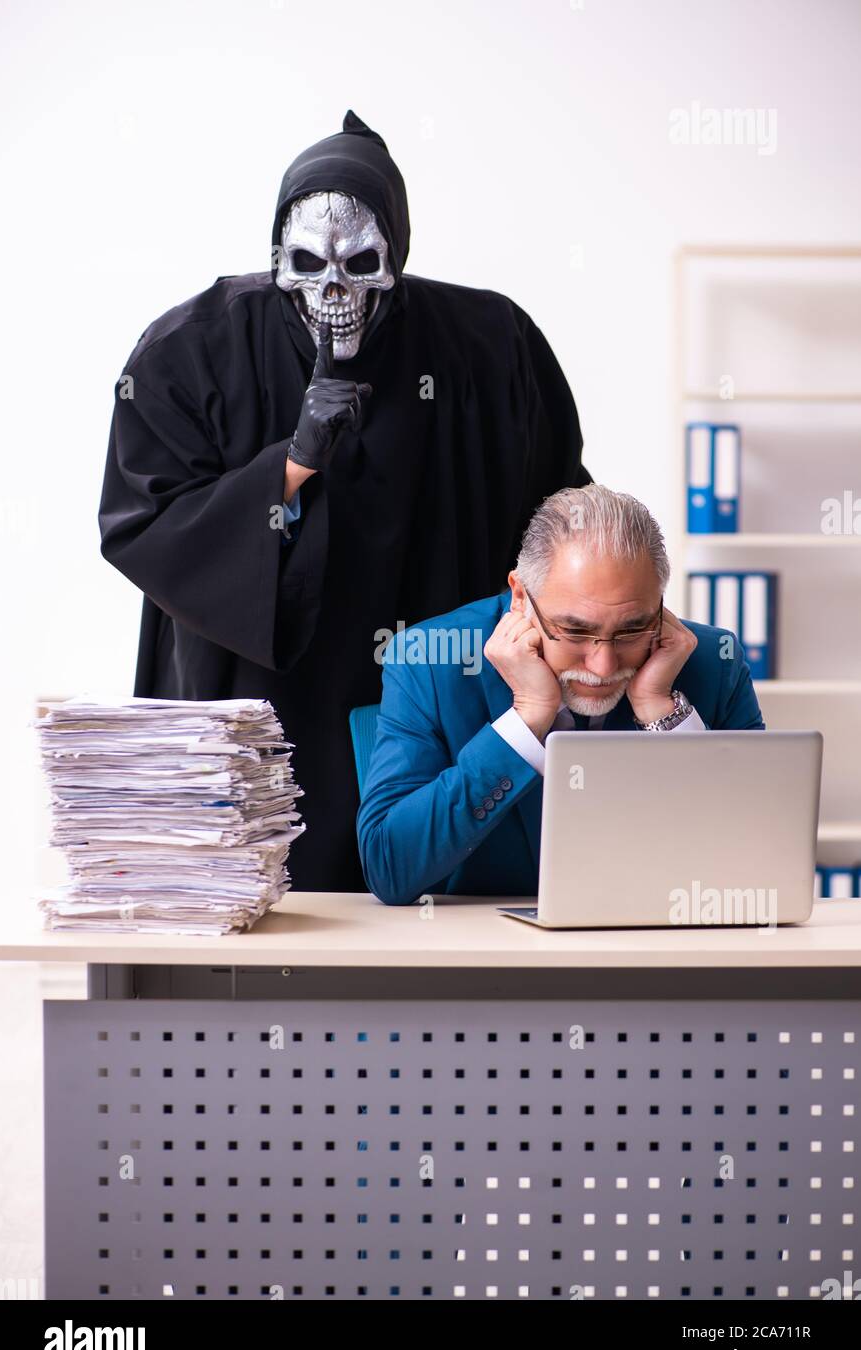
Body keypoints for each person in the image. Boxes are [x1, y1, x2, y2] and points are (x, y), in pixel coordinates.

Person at [98, 110, 591, 890]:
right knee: (267, 908)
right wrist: (289, 467)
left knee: (436, 890)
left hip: (438, 685)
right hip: (257, 688)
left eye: (361, 264)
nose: (334, 292)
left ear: (393, 254)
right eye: (306, 265)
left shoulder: (491, 346)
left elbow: (558, 518)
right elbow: (143, 524)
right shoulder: (191, 349)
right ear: (275, 260)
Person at [356, 483, 766, 905]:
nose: (603, 666)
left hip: (659, 949)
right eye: (575, 631)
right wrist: (526, 720)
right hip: (483, 954)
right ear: (520, 597)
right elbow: (390, 869)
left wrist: (664, 714)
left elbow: (764, 862)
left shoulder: (714, 664)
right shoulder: (429, 660)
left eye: (630, 630)